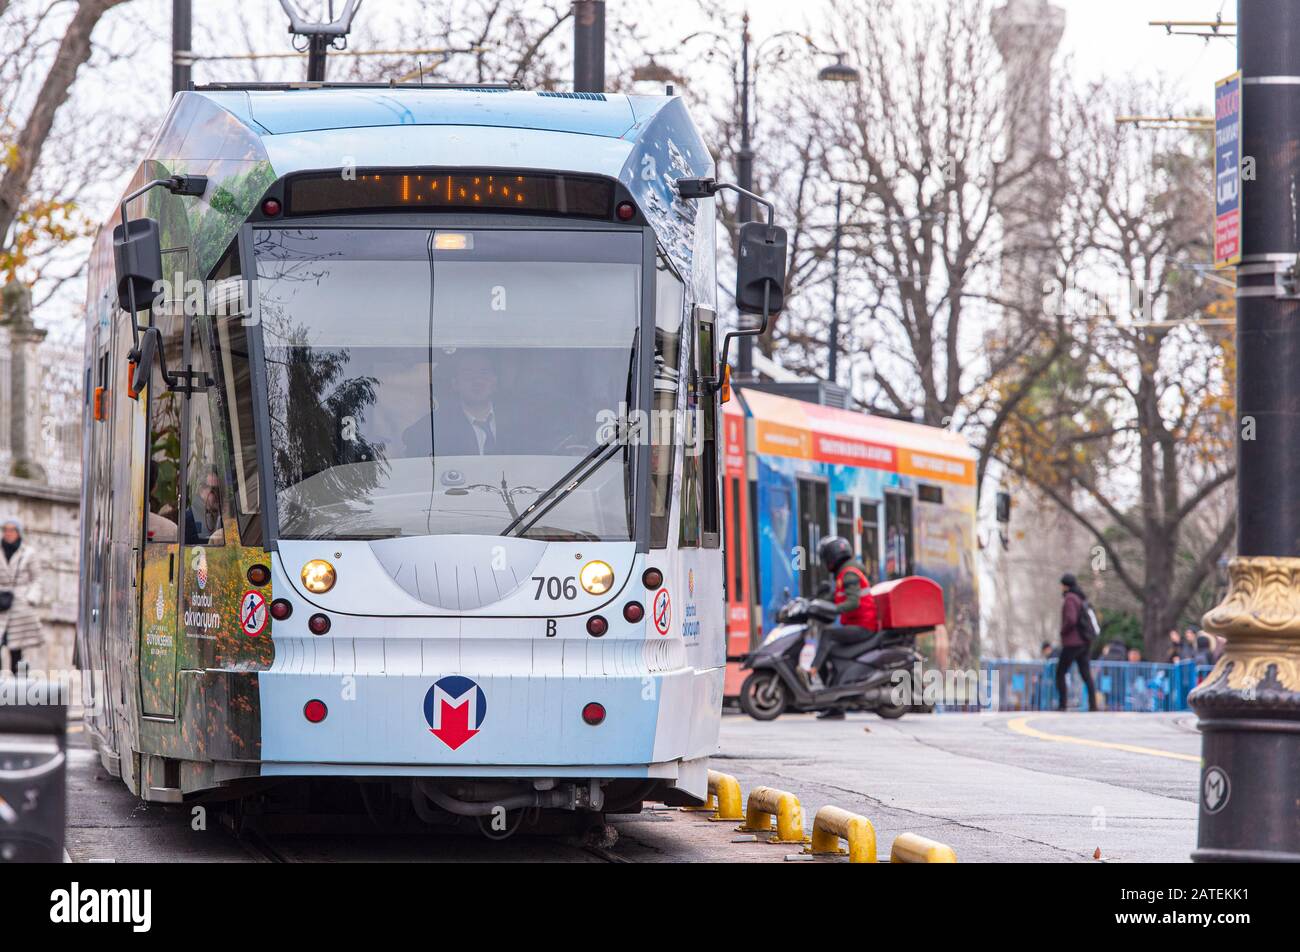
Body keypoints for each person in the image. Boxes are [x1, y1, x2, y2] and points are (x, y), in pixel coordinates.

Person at [807, 535, 880, 719]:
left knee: (828, 635)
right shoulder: (846, 573)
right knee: (831, 653)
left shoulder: (849, 574)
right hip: (857, 624)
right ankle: (834, 705)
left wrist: (834, 609)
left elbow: (853, 602)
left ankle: (813, 668)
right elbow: (835, 596)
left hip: (863, 626)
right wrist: (813, 602)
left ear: (832, 557)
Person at [402, 351, 528, 457]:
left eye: (484, 373)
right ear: (455, 383)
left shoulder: (522, 422)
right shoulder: (428, 431)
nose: (477, 380)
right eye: (468, 374)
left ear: (495, 381)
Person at [0, 519, 42, 673]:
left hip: (19, 604)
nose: (8, 533)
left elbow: (37, 578)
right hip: (1, 602)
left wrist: (31, 598)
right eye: (5, 529)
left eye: (12, 530)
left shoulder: (29, 553)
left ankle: (17, 681)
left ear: (18, 532)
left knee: (16, 647)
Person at [1056, 573, 1097, 711]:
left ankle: (1062, 704)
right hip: (1084, 642)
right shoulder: (1080, 598)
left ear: (1065, 585)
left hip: (1072, 642)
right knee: (1086, 674)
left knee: (1060, 672)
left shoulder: (1070, 599)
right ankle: (1093, 705)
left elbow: (1071, 619)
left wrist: (1063, 630)